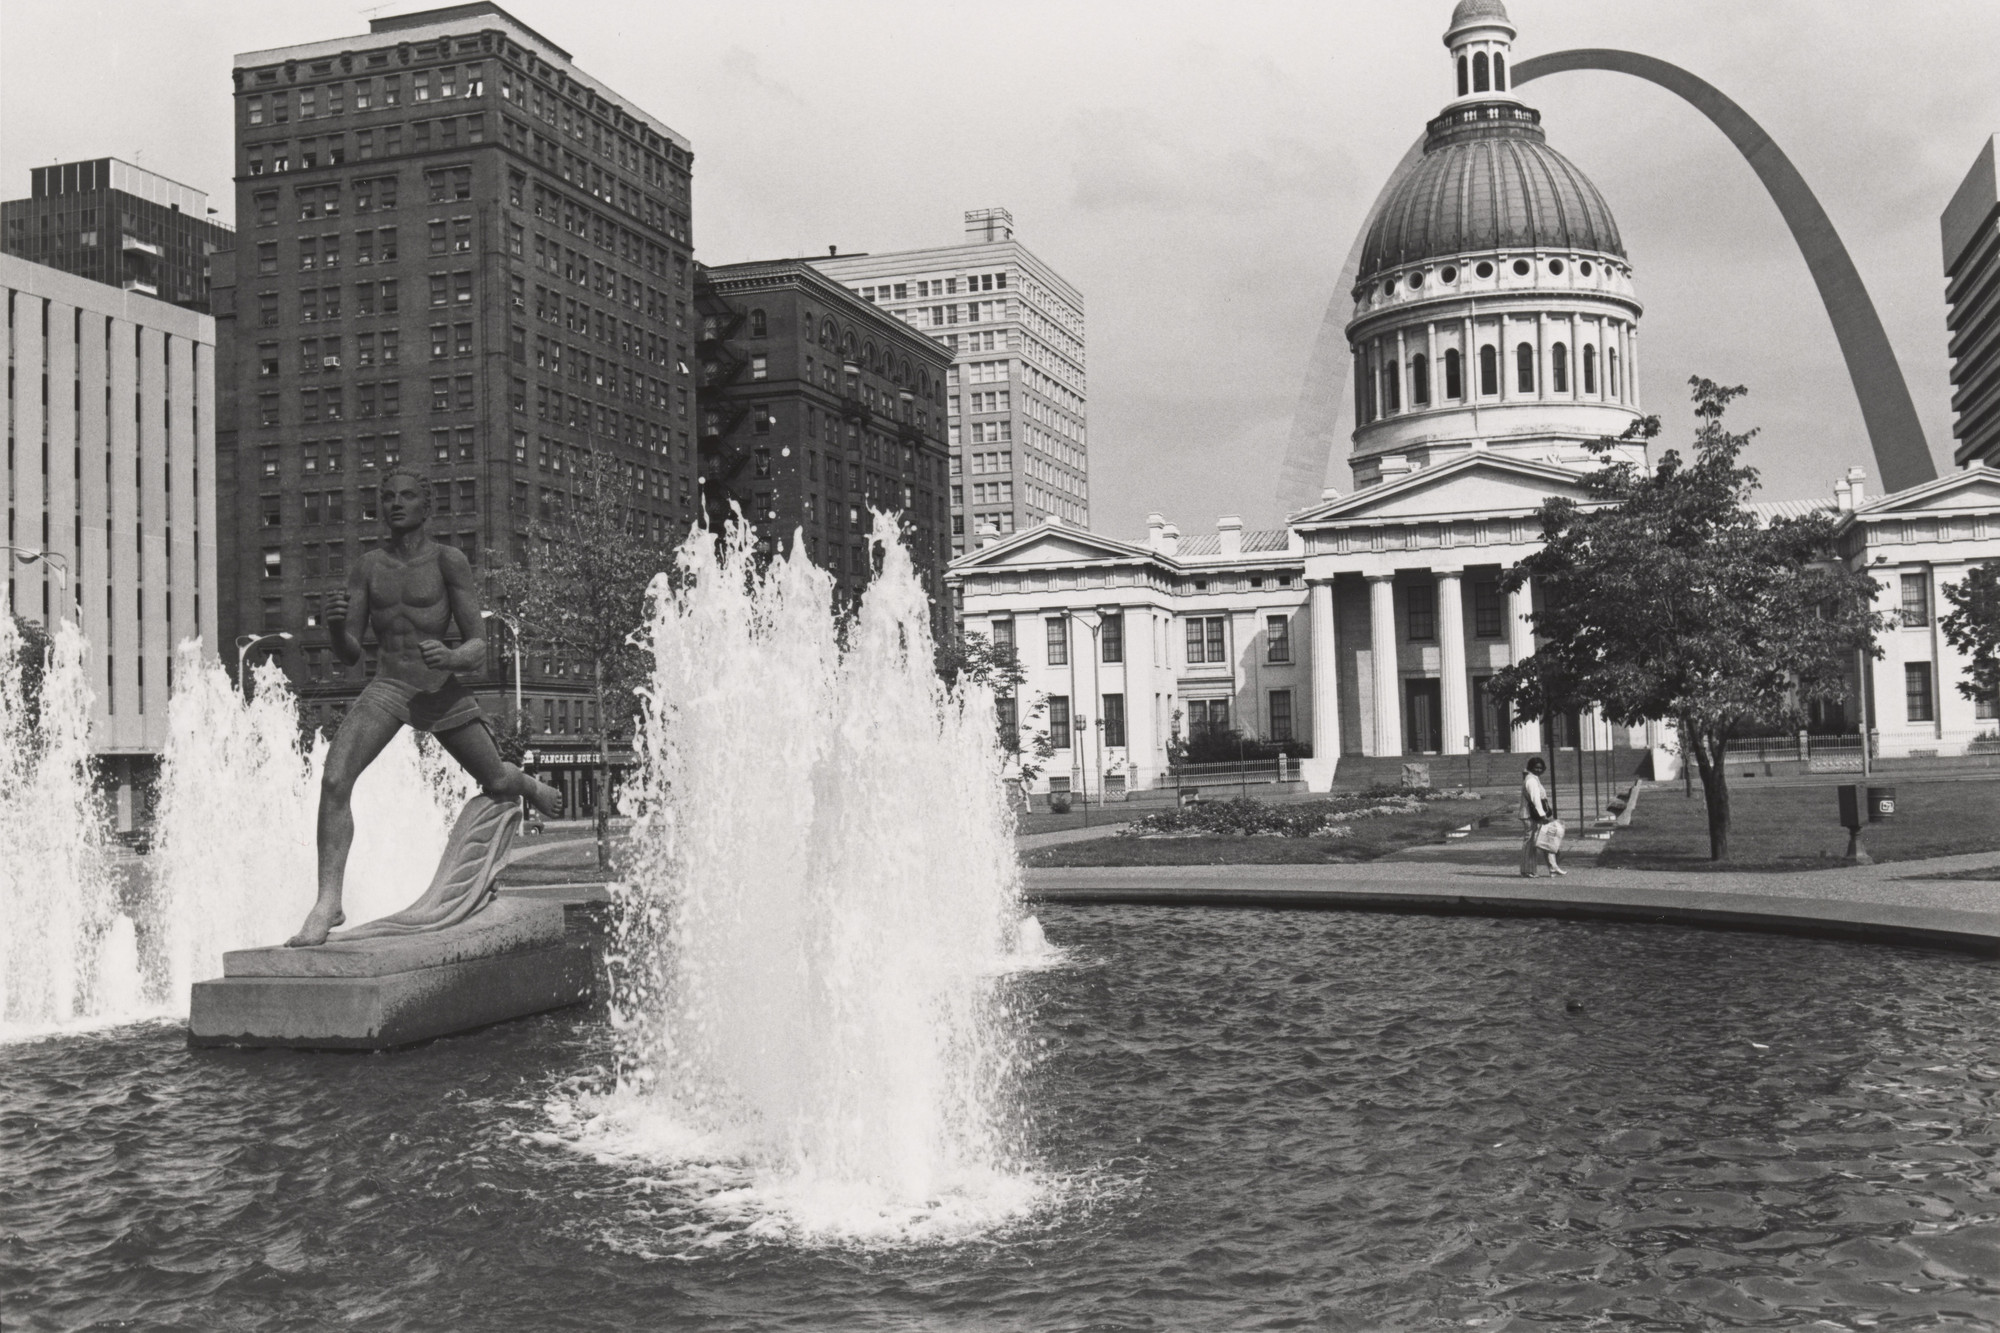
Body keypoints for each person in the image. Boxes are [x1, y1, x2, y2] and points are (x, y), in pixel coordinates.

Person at [286, 469, 564, 947]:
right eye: (387, 497)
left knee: (495, 780)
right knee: (335, 779)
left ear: (426, 506)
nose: (396, 504)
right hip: (390, 685)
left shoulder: (448, 561)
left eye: (406, 496)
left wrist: (452, 657)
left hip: (439, 687)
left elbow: (479, 641)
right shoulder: (368, 567)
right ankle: (328, 901)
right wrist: (334, 629)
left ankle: (523, 780)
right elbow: (351, 653)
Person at [1519, 756, 1565, 878]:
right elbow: (1536, 799)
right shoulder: (1531, 780)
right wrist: (1543, 815)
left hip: (1532, 814)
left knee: (1540, 840)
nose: (1538, 770)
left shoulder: (1534, 778)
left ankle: (1551, 866)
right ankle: (1528, 870)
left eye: (1540, 768)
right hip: (1530, 815)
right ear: (1531, 768)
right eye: (1536, 767)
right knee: (1530, 842)